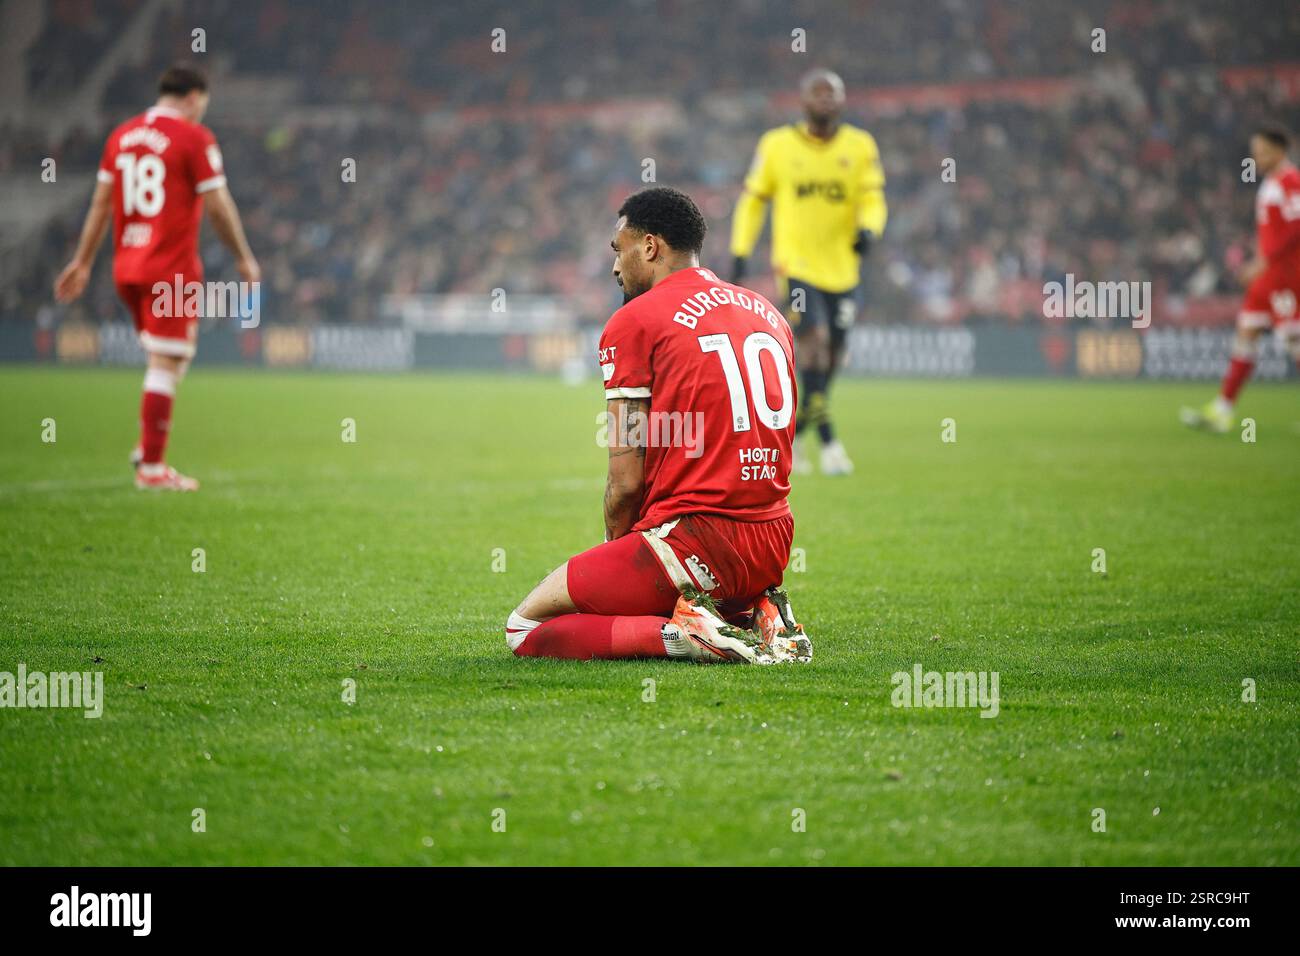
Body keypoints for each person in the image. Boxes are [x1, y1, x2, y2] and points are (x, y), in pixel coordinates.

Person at [506, 187, 811, 664]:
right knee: (688, 590)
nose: (614, 266)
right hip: (772, 542)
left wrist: (619, 555)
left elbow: (625, 483)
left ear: (649, 246)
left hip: (694, 541)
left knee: (525, 628)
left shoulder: (635, 320)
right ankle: (756, 612)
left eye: (618, 249)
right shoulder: (769, 314)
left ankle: (680, 636)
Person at [54, 63, 260, 490]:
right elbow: (218, 206)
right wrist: (243, 258)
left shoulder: (121, 136)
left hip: (128, 266)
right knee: (167, 361)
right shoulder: (194, 138)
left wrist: (84, 260)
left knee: (171, 356)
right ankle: (151, 468)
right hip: (170, 269)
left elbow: (101, 204)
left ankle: (145, 447)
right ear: (193, 97)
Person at [730, 68, 887, 475]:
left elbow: (873, 199)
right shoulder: (777, 145)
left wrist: (870, 229)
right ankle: (830, 444)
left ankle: (795, 435)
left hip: (843, 270)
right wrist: (741, 250)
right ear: (802, 101)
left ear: (842, 100)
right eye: (818, 92)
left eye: (832, 92)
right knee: (814, 341)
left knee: (832, 356)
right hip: (796, 265)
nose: (825, 99)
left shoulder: (860, 146)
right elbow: (753, 201)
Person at [1182, 126, 1300, 432]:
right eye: (1255, 152)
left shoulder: (1290, 181)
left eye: (1262, 151)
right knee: (1246, 335)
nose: (1256, 158)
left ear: (1279, 151)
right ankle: (1223, 410)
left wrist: (1262, 261)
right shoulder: (1272, 183)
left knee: (1294, 340)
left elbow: (1295, 227)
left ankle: (1223, 409)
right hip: (1268, 277)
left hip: (1285, 276)